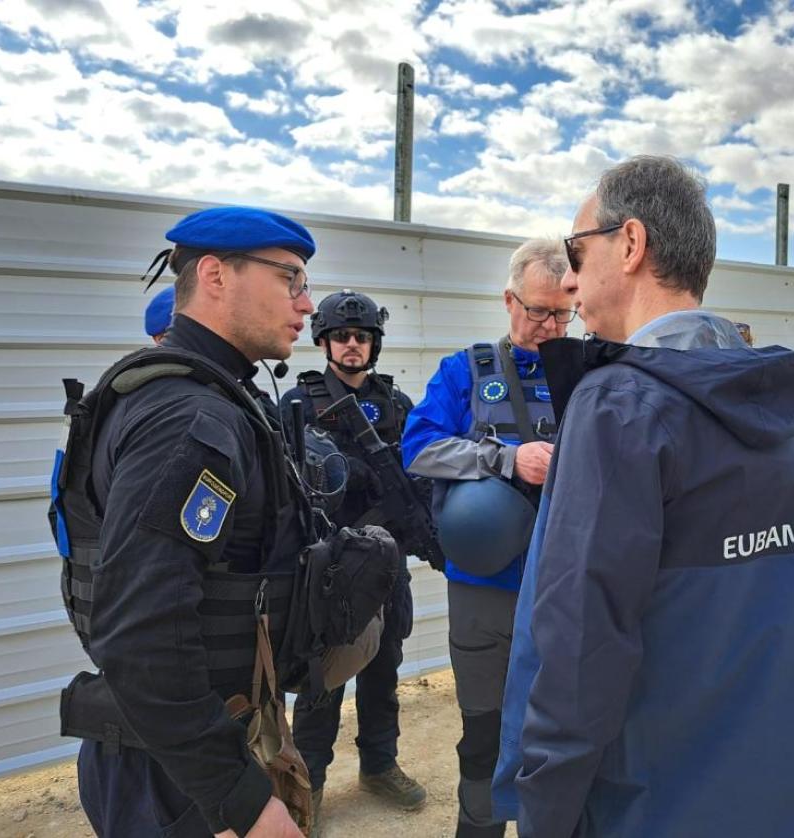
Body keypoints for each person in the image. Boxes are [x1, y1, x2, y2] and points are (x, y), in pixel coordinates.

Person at [493, 155, 794, 837]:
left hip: (644, 800)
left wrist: (544, 809)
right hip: (771, 793)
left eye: (574, 252)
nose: (567, 279)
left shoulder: (623, 406)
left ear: (630, 244)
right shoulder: (785, 411)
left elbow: (580, 640)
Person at [52, 206, 319, 837]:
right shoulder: (189, 419)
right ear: (216, 275)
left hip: (185, 744)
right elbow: (142, 633)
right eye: (291, 278)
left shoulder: (212, 394)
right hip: (175, 771)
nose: (307, 304)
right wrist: (239, 800)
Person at [402, 239, 574, 838]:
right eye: (537, 312)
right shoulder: (466, 370)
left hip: (565, 584)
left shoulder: (592, 372)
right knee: (483, 732)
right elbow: (418, 448)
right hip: (484, 589)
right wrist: (504, 457)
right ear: (509, 300)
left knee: (561, 732)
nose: (550, 326)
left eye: (563, 313)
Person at [278, 290, 424, 833]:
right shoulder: (298, 402)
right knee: (325, 677)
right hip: (331, 565)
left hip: (388, 560)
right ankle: (308, 782)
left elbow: (420, 470)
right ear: (324, 341)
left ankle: (380, 765)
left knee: (384, 667)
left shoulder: (398, 403)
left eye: (362, 337)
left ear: (375, 344)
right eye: (342, 336)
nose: (352, 345)